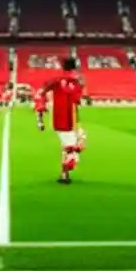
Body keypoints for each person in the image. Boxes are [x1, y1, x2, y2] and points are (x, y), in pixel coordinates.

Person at [38, 57, 86, 185]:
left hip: (60, 119)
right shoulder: (78, 80)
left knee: (69, 147)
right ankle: (65, 172)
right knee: (74, 148)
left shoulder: (57, 80)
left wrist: (41, 112)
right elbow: (78, 99)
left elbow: (42, 92)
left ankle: (64, 174)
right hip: (71, 119)